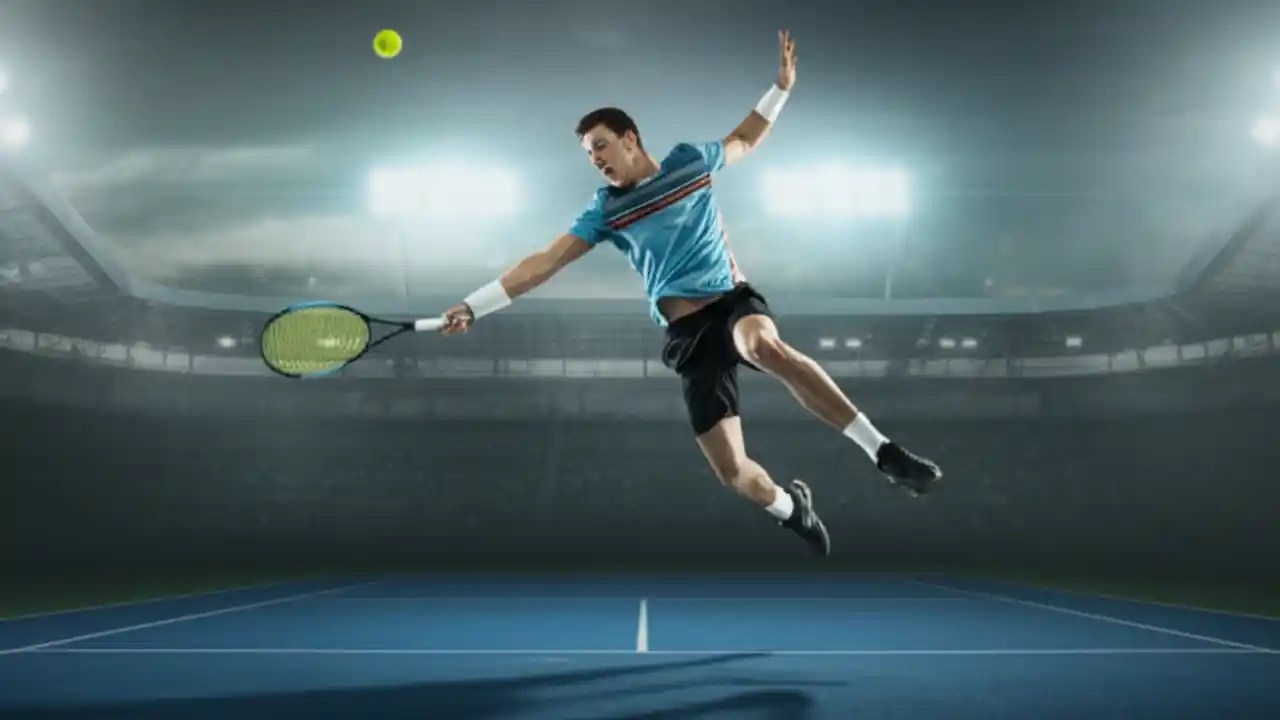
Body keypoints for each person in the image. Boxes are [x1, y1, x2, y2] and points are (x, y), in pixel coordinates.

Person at [439, 30, 941, 557]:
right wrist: (475, 304)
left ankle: (884, 453)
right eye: (590, 156)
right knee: (734, 474)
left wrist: (781, 89)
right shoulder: (605, 210)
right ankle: (793, 510)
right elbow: (544, 262)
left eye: (602, 146)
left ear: (631, 137)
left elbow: (744, 139)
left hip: (731, 304)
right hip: (687, 336)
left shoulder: (688, 164)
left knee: (762, 346)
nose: (597, 160)